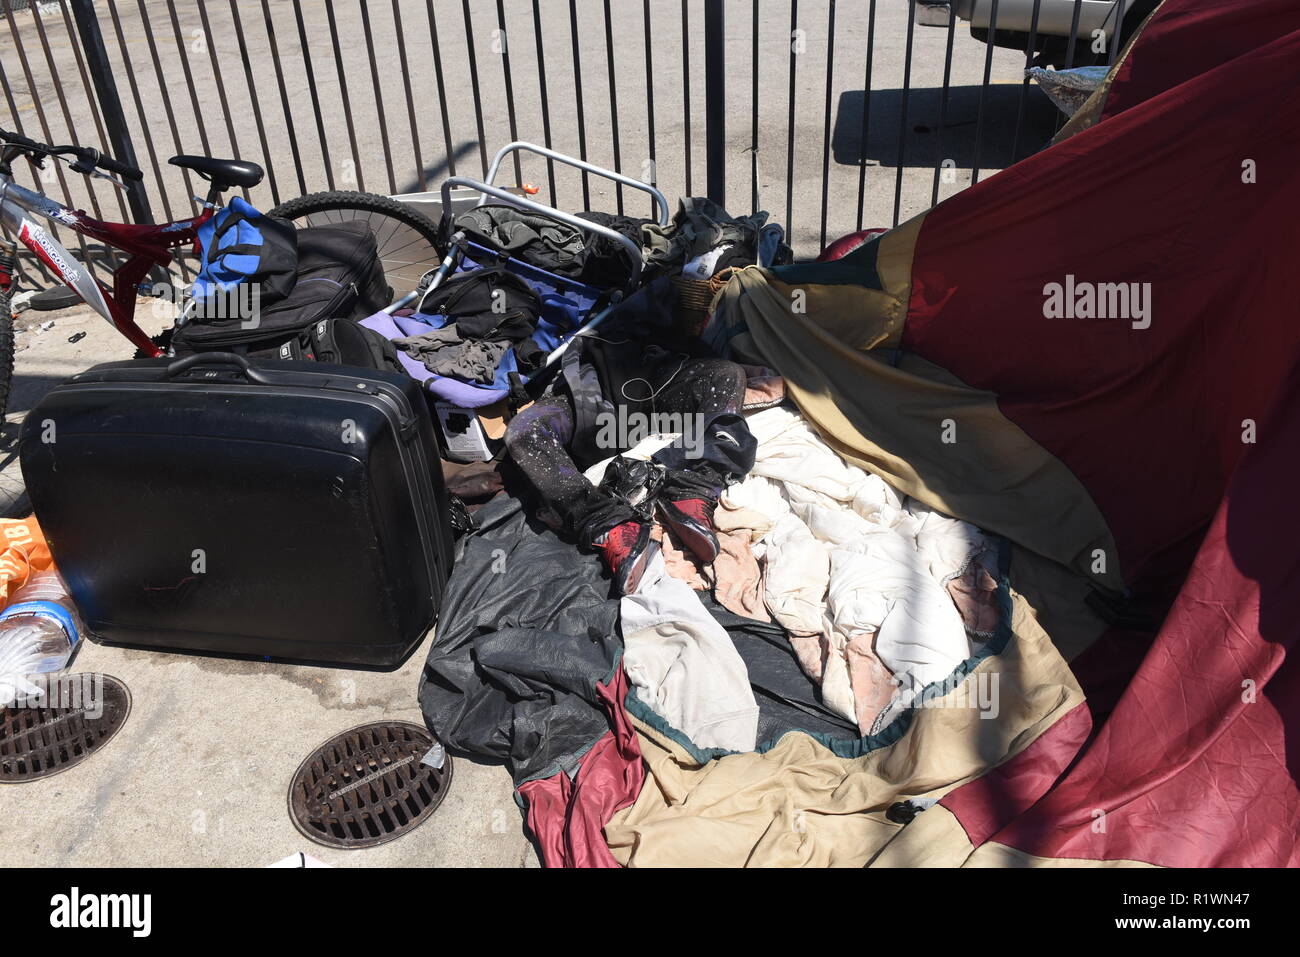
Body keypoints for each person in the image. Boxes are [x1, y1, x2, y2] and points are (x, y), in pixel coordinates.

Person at [504, 284, 756, 594]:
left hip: (660, 386)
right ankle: (610, 525)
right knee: (523, 432)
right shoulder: (549, 298)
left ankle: (690, 491)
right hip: (591, 398)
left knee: (727, 374)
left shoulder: (672, 313)